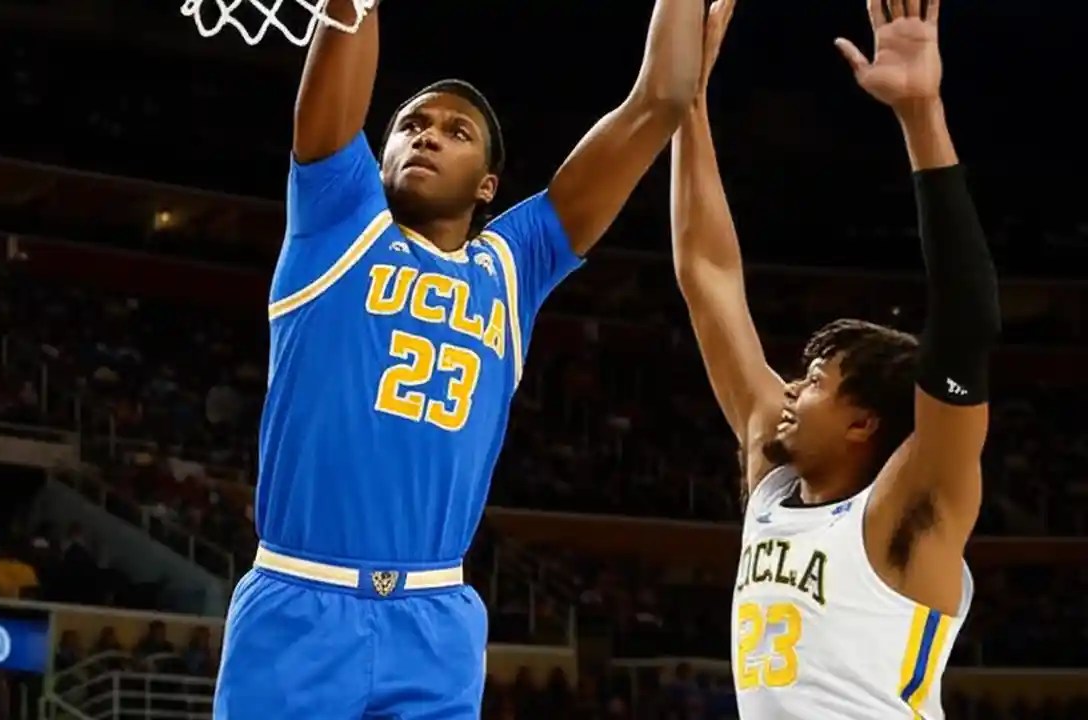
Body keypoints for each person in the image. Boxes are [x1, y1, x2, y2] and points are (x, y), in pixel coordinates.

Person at [213, 1, 705, 718]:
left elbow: (659, 99)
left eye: (455, 131)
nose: (426, 137)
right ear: (377, 157)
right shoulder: (334, 222)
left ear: (488, 184)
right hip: (299, 602)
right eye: (410, 125)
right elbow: (345, 33)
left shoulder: (516, 263)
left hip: (436, 617)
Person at [670, 0, 999, 717]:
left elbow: (967, 322)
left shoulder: (911, 509)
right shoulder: (775, 481)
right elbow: (708, 277)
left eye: (816, 382)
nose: (789, 389)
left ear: (863, 425)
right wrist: (686, 102)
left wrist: (921, 115)